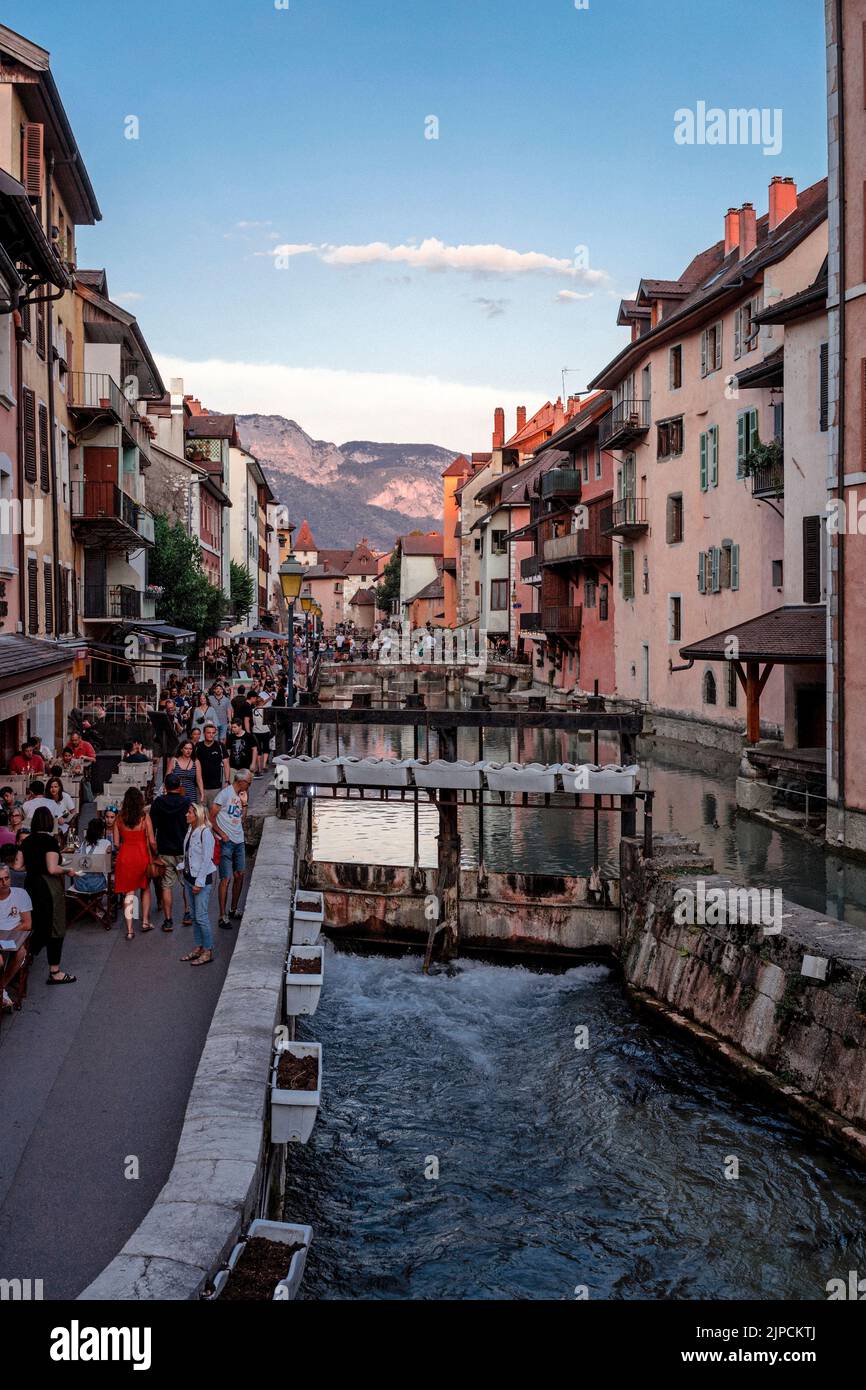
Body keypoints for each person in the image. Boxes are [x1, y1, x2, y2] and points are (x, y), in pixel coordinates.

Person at [17, 806, 77, 984]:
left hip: (30, 884)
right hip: (47, 886)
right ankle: (55, 971)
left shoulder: (26, 841)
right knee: (55, 925)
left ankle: (26, 958)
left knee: (33, 921)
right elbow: (52, 868)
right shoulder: (50, 841)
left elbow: (18, 866)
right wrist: (68, 871)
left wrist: (33, 866)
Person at [150, 774, 193, 932]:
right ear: (179, 785)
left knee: (166, 885)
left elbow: (152, 827)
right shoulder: (186, 802)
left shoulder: (159, 802)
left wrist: (154, 851)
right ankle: (187, 913)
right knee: (186, 883)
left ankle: (168, 920)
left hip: (165, 848)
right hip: (183, 848)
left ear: (165, 787)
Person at [114, 786, 156, 939]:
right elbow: (151, 840)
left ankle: (130, 929)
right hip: (141, 855)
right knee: (145, 889)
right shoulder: (144, 817)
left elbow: (117, 843)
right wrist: (156, 853)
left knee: (129, 893)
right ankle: (145, 921)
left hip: (125, 857)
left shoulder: (119, 818)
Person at [210, 768, 251, 930]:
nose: (249, 786)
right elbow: (211, 816)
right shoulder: (224, 795)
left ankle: (233, 909)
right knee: (225, 879)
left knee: (240, 875)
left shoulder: (242, 795)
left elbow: (242, 818)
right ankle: (222, 915)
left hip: (239, 840)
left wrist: (245, 803)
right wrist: (221, 833)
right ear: (241, 781)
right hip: (226, 842)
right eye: (249, 783)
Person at [181, 802, 217, 967]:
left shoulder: (205, 834)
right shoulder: (190, 831)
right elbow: (189, 854)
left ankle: (208, 950)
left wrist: (199, 882)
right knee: (195, 916)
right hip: (190, 877)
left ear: (198, 815)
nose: (186, 815)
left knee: (201, 916)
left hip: (200, 880)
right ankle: (199, 946)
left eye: (189, 813)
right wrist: (182, 867)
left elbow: (206, 859)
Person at [68, 816, 112, 907]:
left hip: (80, 885)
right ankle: (98, 905)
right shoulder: (106, 843)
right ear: (102, 831)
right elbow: (108, 864)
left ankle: (86, 905)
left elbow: (74, 862)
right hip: (97, 885)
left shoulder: (82, 844)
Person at [194, 723, 229, 808]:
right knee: (201, 814)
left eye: (213, 733)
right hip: (200, 787)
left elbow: (226, 764)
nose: (211, 735)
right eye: (208, 733)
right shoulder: (198, 747)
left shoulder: (220, 746)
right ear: (204, 733)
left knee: (214, 814)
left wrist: (227, 781)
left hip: (215, 787)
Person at [166, 738, 201, 802]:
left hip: (191, 793)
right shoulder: (174, 760)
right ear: (181, 749)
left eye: (190, 749)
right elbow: (167, 777)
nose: (188, 751)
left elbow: (199, 779)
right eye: (186, 748)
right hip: (176, 792)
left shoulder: (195, 762)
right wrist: (165, 790)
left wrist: (202, 793)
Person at [251, 697, 273, 776]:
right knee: (266, 748)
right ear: (262, 702)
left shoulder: (253, 711)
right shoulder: (266, 711)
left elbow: (252, 721)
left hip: (256, 731)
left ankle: (259, 767)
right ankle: (264, 765)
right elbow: (269, 721)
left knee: (258, 749)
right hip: (265, 730)